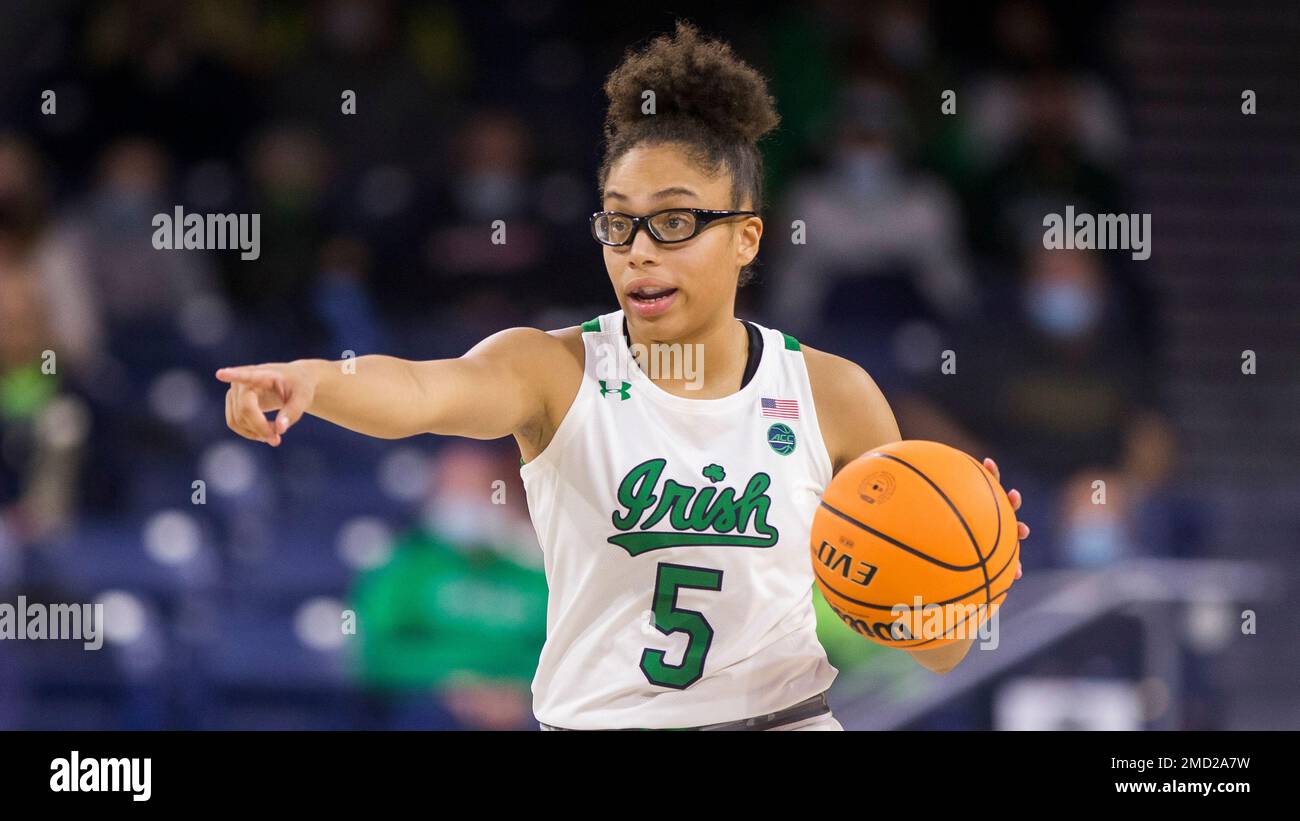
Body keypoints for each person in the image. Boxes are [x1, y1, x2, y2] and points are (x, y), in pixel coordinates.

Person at [216, 21, 1029, 731]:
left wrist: (965, 575)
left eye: (675, 221)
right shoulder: (553, 369)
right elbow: (423, 393)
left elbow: (938, 647)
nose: (639, 247)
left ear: (746, 237)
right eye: (619, 220)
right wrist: (317, 380)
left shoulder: (834, 391)